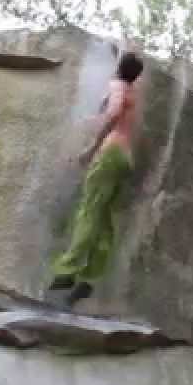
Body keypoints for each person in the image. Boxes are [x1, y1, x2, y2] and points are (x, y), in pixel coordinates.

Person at [48, 50, 145, 306]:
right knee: (104, 221)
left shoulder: (117, 85)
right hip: (125, 157)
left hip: (109, 152)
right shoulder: (133, 91)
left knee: (89, 212)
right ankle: (89, 279)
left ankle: (66, 271)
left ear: (118, 68)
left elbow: (113, 113)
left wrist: (92, 148)